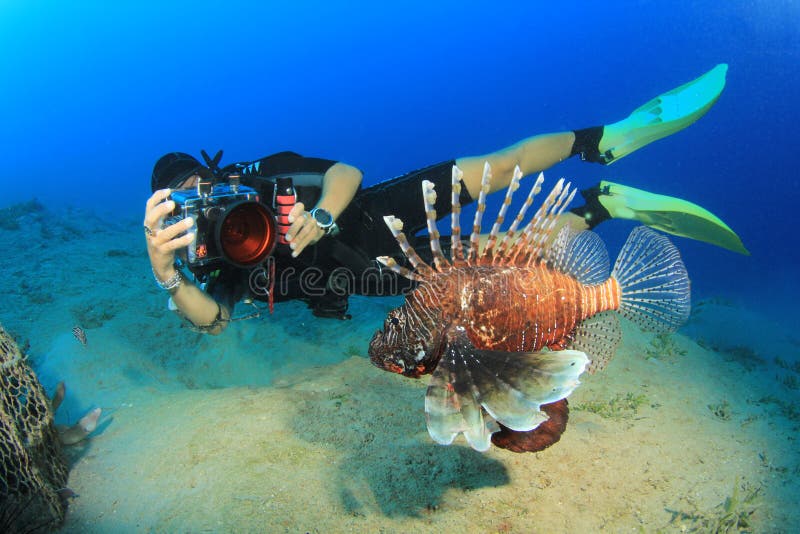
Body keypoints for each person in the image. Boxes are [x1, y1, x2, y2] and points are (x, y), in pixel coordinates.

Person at [144, 63, 746, 334]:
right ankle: (603, 205)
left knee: (497, 167)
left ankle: (604, 140)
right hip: (380, 278)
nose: (210, 204)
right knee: (509, 252)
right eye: (187, 202)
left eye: (206, 185)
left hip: (375, 211)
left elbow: (346, 171)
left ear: (215, 172)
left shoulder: (263, 177)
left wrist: (324, 214)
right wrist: (168, 272)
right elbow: (215, 321)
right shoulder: (208, 256)